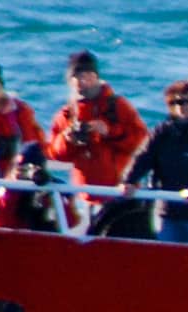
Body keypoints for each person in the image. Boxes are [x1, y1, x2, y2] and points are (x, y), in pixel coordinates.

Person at [43, 50, 152, 238]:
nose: (83, 82)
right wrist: (68, 139)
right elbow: (54, 152)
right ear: (71, 80)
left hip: (120, 193)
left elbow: (142, 142)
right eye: (78, 76)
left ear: (97, 77)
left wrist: (110, 131)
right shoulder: (66, 114)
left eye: (88, 76)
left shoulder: (118, 106)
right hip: (85, 196)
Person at [120, 80, 188, 246]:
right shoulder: (161, 132)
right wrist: (129, 181)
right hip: (167, 212)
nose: (184, 106)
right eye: (178, 102)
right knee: (167, 262)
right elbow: (143, 157)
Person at [0, 142, 73, 232]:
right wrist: (14, 188)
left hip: (42, 239)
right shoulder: (6, 188)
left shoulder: (51, 187)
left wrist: (50, 198)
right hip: (12, 238)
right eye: (23, 167)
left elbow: (69, 222)